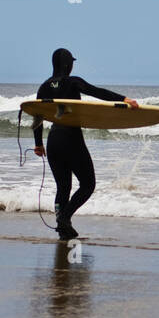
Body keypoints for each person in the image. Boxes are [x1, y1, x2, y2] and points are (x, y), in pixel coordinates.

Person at [31, 48, 139, 239]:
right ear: (67, 64)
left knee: (63, 187)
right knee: (88, 184)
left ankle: (63, 228)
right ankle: (64, 218)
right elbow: (96, 92)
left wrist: (38, 144)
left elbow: (38, 115)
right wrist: (123, 99)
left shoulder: (44, 86)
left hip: (53, 140)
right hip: (71, 137)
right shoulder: (72, 81)